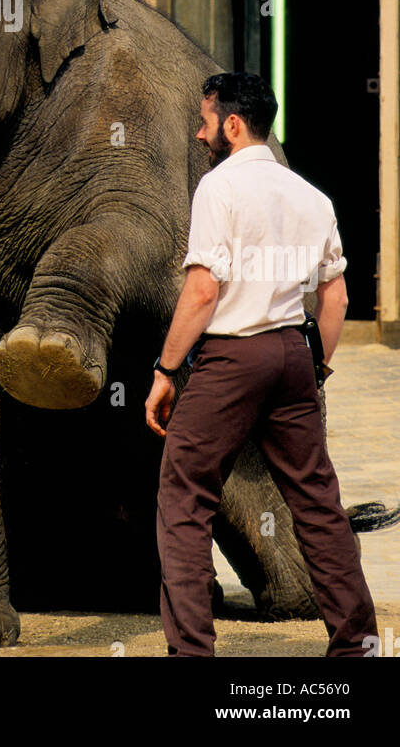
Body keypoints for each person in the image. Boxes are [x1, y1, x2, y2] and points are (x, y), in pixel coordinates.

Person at [144, 71, 378, 657]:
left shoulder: (219, 189)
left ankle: (192, 651)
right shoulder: (312, 196)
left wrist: (166, 371)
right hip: (294, 355)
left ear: (231, 123)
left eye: (204, 123)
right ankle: (357, 643)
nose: (199, 136)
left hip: (231, 358)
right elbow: (337, 298)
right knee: (318, 503)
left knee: (185, 496)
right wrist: (315, 371)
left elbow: (201, 291)